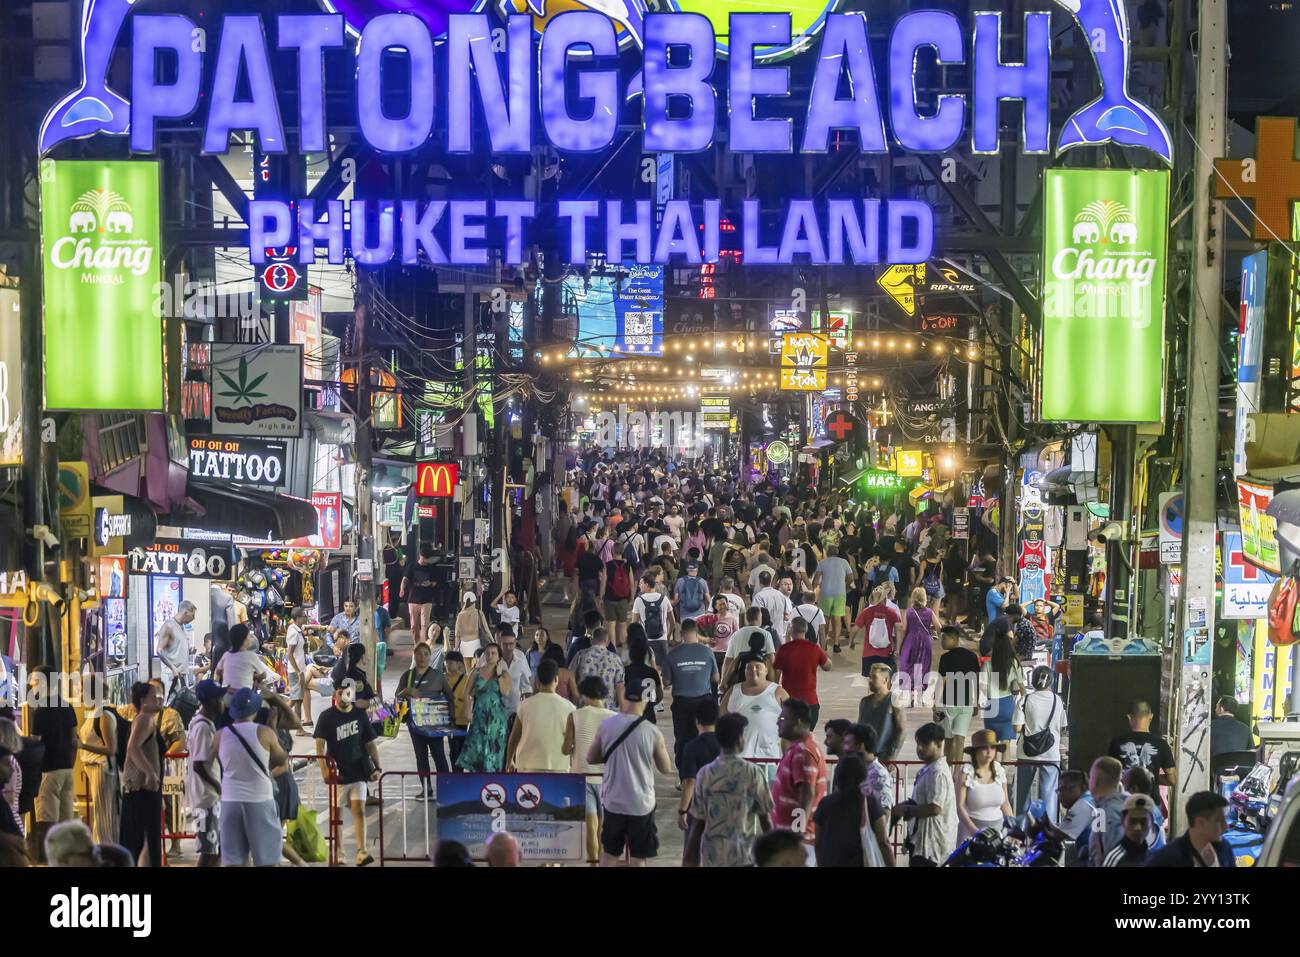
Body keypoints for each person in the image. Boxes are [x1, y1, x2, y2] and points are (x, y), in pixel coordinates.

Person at [587, 680, 673, 866]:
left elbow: (591, 758)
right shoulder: (652, 731)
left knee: (610, 854)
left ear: (625, 697)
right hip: (641, 803)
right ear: (645, 700)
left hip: (613, 801)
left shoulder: (607, 725)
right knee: (637, 857)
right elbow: (666, 768)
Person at [685, 712, 774, 867]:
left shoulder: (705, 774)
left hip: (713, 856)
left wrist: (689, 859)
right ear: (739, 740)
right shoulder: (752, 772)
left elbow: (698, 822)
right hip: (743, 856)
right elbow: (765, 820)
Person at [217, 688, 289, 867]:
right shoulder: (264, 733)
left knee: (235, 861)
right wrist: (272, 725)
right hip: (259, 800)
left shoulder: (219, 735)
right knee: (267, 860)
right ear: (255, 711)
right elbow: (281, 758)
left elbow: (211, 762)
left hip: (229, 801)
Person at [314, 685, 382, 866]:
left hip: (359, 771)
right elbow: (319, 745)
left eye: (347, 693)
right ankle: (339, 853)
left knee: (359, 810)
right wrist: (324, 770)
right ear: (335, 694)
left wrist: (378, 767)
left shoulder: (360, 715)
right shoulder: (326, 717)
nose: (343, 696)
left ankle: (362, 851)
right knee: (337, 816)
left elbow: (370, 743)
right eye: (339, 692)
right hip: (339, 774)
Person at [564, 675, 616, 865]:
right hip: (606, 778)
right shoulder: (614, 718)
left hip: (582, 777)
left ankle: (593, 864)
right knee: (603, 827)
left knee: (591, 826)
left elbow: (565, 749)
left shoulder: (575, 715)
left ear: (584, 693)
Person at [890, 722, 958, 867]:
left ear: (939, 744)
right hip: (923, 845)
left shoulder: (937, 772)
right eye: (918, 744)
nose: (919, 749)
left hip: (932, 849)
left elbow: (935, 808)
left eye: (925, 744)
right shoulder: (930, 769)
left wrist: (907, 810)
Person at [814, 753, 895, 867]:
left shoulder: (825, 803)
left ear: (837, 776)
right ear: (863, 776)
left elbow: (818, 843)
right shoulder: (870, 803)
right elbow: (883, 842)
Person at [770, 699, 828, 859]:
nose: (777, 722)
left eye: (782, 719)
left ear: (796, 722)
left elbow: (807, 794)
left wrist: (797, 834)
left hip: (798, 842)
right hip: (790, 839)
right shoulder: (797, 749)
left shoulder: (803, 752)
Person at [396, 641, 451, 795]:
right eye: (419, 654)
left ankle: (446, 787)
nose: (422, 657)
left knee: (439, 755)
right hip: (415, 724)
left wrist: (451, 718)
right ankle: (426, 788)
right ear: (414, 655)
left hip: (435, 725)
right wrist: (407, 691)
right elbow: (397, 697)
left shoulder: (438, 675)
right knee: (421, 757)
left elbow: (449, 696)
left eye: (426, 654)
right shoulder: (407, 676)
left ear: (430, 656)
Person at [119, 681, 164, 867]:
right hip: (143, 790)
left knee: (144, 840)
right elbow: (133, 747)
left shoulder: (144, 719)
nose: (159, 699)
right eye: (154, 696)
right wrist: (150, 773)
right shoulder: (144, 719)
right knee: (146, 839)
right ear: (143, 700)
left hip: (142, 790)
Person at [665, 619, 719, 763]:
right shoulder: (707, 651)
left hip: (681, 703)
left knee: (682, 738)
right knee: (704, 737)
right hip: (703, 702)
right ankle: (703, 770)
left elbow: (667, 681)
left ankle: (684, 777)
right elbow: (715, 678)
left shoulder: (672, 654)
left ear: (681, 633)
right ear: (697, 633)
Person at [1015, 665, 1065, 823]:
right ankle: (1046, 833)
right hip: (1051, 755)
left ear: (1033, 680)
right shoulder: (1058, 700)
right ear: (1051, 680)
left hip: (1026, 753)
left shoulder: (1026, 699)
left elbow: (1016, 727)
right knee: (1048, 797)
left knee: (1022, 796)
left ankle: (1020, 833)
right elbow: (1062, 726)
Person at [507, 659, 576, 772]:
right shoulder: (570, 708)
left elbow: (515, 736)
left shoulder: (524, 705)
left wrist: (509, 761)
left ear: (537, 681)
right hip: (558, 768)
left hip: (527, 768)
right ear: (556, 679)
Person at [1107, 700, 1176, 809]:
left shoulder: (1117, 742)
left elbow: (1110, 776)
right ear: (1151, 717)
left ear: (1130, 717)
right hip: (1151, 804)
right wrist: (1153, 777)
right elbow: (1172, 779)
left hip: (1124, 803)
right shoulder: (1161, 744)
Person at [186, 679, 226, 867]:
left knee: (215, 849)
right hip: (205, 798)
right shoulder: (202, 727)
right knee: (208, 851)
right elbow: (199, 765)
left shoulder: (203, 723)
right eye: (219, 699)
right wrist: (217, 785)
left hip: (208, 797)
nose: (222, 703)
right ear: (210, 701)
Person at [676, 699, 722, 862]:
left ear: (697, 721)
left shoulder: (692, 747)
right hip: (722, 807)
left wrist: (682, 811)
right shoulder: (725, 746)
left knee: (692, 855)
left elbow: (689, 781)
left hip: (698, 809)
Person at [456, 644, 512, 773]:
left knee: (494, 749)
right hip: (479, 714)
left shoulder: (504, 674)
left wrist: (498, 675)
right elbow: (465, 693)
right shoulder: (476, 672)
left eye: (493, 653)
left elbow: (505, 692)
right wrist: (467, 711)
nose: (490, 656)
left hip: (496, 719)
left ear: (499, 656)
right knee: (477, 748)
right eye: (487, 653)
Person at [721, 655, 787, 759]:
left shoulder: (778, 692)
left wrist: (787, 756)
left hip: (769, 757)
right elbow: (721, 718)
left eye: (758, 667)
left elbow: (790, 724)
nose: (753, 670)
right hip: (739, 757)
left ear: (766, 670)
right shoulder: (734, 690)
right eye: (749, 667)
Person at [1146, 791, 1235, 867]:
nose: (1226, 826)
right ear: (1200, 822)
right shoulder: (1167, 859)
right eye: (1218, 820)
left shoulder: (1225, 848)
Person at [956, 729, 1014, 843]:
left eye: (992, 748)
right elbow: (960, 807)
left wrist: (1014, 828)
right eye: (984, 748)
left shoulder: (999, 770)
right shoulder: (966, 771)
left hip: (998, 831)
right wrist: (974, 831)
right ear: (975, 751)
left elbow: (1005, 803)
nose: (989, 751)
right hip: (971, 831)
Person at [772, 617, 831, 729]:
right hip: (811, 704)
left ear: (791, 630)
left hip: (789, 704)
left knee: (789, 740)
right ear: (806, 629)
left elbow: (776, 677)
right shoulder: (815, 649)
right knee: (806, 740)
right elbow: (828, 666)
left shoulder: (783, 650)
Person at [77, 691, 120, 845]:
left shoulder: (103, 716)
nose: (81, 694)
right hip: (95, 768)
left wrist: (83, 746)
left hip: (102, 769)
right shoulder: (94, 714)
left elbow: (111, 749)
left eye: (83, 690)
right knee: (102, 813)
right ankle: (104, 848)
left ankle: (106, 849)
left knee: (104, 815)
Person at [935, 625, 980, 765]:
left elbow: (941, 682)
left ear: (955, 639)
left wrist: (935, 704)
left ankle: (948, 769)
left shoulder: (945, 658)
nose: (942, 642)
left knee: (948, 739)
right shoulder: (972, 656)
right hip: (966, 703)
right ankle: (957, 772)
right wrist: (976, 703)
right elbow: (976, 681)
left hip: (948, 702)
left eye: (945, 639)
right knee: (960, 739)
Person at [982, 627, 1024, 757]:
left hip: (991, 705)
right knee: (1006, 743)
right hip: (1007, 705)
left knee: (992, 744)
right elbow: (1022, 688)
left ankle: (994, 774)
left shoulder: (988, 665)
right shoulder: (1014, 663)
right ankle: (1003, 773)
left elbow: (982, 686)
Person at [856, 663, 905, 761]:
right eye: (869, 676)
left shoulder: (894, 700)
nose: (870, 680)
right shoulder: (864, 702)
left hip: (884, 757)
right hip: (864, 756)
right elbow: (859, 729)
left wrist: (892, 756)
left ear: (885, 680)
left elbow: (901, 730)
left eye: (874, 677)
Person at [571, 626, 626, 711]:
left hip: (583, 706)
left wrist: (575, 699)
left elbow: (570, 677)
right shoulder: (615, 659)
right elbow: (620, 686)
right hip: (607, 709)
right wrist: (622, 709)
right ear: (607, 642)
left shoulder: (580, 655)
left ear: (591, 640)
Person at [813, 544, 855, 651]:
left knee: (825, 618)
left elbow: (816, 579)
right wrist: (845, 586)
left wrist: (813, 589)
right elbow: (851, 577)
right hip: (840, 593)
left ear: (827, 553)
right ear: (837, 552)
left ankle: (824, 642)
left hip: (826, 593)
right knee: (837, 619)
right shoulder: (844, 562)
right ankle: (836, 644)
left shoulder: (822, 562)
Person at [898, 587, 938, 698]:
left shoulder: (908, 612)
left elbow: (904, 628)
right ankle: (919, 693)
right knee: (922, 665)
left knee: (908, 665)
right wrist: (932, 630)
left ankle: (909, 693)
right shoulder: (929, 612)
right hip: (925, 641)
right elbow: (938, 626)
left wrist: (899, 646)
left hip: (911, 641)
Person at [1088, 756, 1128, 867]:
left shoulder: (1108, 812)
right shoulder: (1124, 802)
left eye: (1090, 777)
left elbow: (1113, 856)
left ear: (1095, 780)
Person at [632, 572, 675, 673]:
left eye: (641, 583)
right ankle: (661, 687)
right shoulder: (664, 599)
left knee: (646, 669)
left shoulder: (638, 600)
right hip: (662, 640)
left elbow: (634, 624)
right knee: (663, 670)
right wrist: (668, 636)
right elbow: (672, 622)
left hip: (646, 640)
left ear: (647, 585)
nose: (639, 585)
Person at [854, 586, 902, 675]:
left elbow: (855, 629)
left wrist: (851, 642)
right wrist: (897, 649)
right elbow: (899, 629)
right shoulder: (892, 612)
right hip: (887, 654)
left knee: (870, 684)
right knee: (886, 682)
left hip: (868, 654)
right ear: (884, 598)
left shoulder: (866, 611)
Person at [401, 544, 439, 654]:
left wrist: (430, 583)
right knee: (413, 625)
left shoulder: (431, 568)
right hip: (413, 599)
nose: (425, 560)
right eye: (424, 558)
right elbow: (405, 579)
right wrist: (402, 589)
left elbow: (435, 582)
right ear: (420, 556)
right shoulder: (412, 566)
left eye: (427, 558)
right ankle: (416, 644)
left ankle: (423, 646)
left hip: (427, 600)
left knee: (424, 625)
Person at [1100, 792, 1155, 867]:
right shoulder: (1115, 859)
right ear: (1123, 821)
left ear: (1151, 822)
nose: (1138, 828)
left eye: (1143, 821)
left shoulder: (1152, 857)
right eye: (1133, 821)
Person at [214, 623, 274, 691]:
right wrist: (252, 676)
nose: (251, 638)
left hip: (227, 695)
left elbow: (217, 672)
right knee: (259, 698)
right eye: (249, 636)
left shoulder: (226, 655)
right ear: (244, 640)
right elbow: (263, 675)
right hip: (243, 696)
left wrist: (217, 687)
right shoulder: (251, 656)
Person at [156, 600, 197, 698]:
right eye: (193, 615)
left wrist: (190, 651)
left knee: (181, 705)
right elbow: (159, 650)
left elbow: (177, 649)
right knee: (169, 704)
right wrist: (172, 667)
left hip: (182, 673)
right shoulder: (169, 626)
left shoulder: (182, 627)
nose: (194, 618)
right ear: (185, 613)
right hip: (171, 674)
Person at [623, 629, 663, 722]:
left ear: (631, 655)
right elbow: (660, 694)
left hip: (630, 713)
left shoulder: (626, 671)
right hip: (649, 713)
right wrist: (651, 704)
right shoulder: (652, 671)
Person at [496, 625, 534, 723]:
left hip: (515, 711)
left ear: (515, 643)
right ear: (499, 643)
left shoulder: (521, 658)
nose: (508, 647)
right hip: (495, 710)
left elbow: (527, 687)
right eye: (505, 644)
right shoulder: (491, 657)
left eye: (511, 644)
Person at [603, 546, 635, 649]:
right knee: (623, 625)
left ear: (612, 551)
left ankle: (613, 649)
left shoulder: (607, 565)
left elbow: (603, 582)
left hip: (610, 598)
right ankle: (625, 650)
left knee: (611, 625)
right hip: (623, 599)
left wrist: (600, 596)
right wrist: (632, 598)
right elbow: (632, 583)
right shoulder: (628, 566)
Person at [453, 592, 492, 661]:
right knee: (476, 668)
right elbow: (486, 630)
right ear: (475, 601)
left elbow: (457, 635)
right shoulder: (478, 612)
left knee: (467, 670)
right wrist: (493, 641)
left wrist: (456, 648)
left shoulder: (460, 615)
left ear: (464, 601)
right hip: (475, 644)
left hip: (463, 645)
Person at [674, 557, 712, 625]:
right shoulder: (702, 581)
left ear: (687, 570)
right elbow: (708, 599)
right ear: (697, 570)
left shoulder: (679, 581)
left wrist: (677, 615)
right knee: (699, 634)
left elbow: (676, 600)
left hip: (684, 615)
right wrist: (707, 612)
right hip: (700, 614)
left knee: (686, 634)